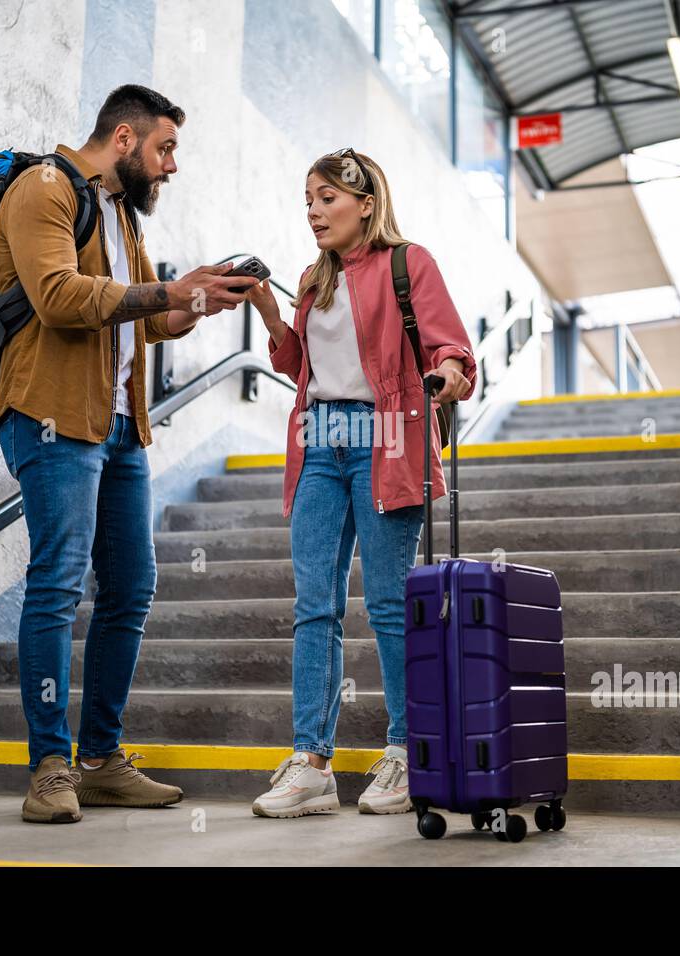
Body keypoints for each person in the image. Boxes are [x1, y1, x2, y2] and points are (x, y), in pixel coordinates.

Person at [0, 84, 259, 824]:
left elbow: (143, 315)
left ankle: (101, 758)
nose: (170, 166)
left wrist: (195, 299)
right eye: (164, 148)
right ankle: (49, 767)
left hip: (117, 425)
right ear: (122, 139)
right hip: (50, 415)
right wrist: (161, 292)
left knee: (132, 586)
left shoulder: (118, 215)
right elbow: (58, 297)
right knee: (56, 582)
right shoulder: (42, 188)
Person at [244, 148, 476, 818]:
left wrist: (453, 371)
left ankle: (406, 752)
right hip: (319, 440)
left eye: (327, 199)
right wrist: (268, 307)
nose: (313, 212)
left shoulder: (410, 263)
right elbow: (298, 364)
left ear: (365, 201)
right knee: (313, 605)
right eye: (308, 200)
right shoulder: (313, 279)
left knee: (385, 603)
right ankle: (312, 765)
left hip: (388, 435)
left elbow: (449, 345)